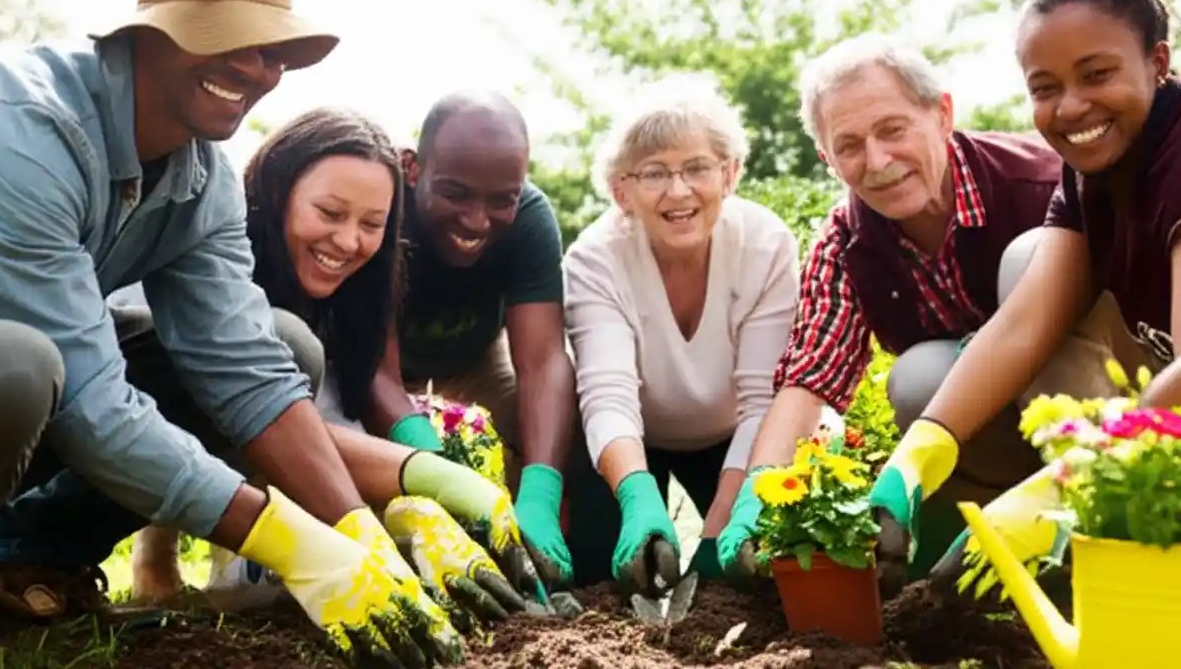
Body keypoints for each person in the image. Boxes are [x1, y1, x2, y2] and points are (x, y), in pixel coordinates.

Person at [0, 0, 459, 665]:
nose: (257, 68)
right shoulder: (8, 127)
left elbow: (248, 374)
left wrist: (357, 534)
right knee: (9, 364)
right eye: (226, 34)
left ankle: (21, 558)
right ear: (150, 28)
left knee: (286, 346)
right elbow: (89, 396)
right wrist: (283, 541)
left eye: (272, 49)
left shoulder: (202, 181)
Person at [716, 31, 1131, 591]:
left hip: (1122, 405)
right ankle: (995, 561)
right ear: (827, 159)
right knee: (917, 378)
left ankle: (1106, 517)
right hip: (997, 431)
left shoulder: (1041, 182)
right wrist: (759, 489)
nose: (878, 161)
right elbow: (808, 379)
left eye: (892, 130)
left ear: (941, 115)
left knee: (1031, 260)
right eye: (850, 145)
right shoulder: (847, 244)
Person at [127, 106, 548, 627]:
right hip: (150, 428)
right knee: (285, 350)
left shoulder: (363, 284)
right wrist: (424, 481)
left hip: (267, 432)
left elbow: (335, 419)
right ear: (279, 192)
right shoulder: (216, 251)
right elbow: (267, 414)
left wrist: (412, 506)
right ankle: (154, 550)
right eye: (329, 213)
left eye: (372, 224)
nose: (349, 242)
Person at [858, 0, 1180, 599]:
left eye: (1097, 74)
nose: (1071, 107)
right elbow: (1023, 327)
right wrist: (910, 465)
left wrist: (1038, 507)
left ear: (1158, 61)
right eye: (1045, 87)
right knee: (1022, 272)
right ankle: (1091, 559)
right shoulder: (1091, 173)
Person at [561, 75, 798, 594]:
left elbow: (764, 401)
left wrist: (714, 538)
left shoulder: (766, 246)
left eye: (697, 168)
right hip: (627, 444)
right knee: (602, 580)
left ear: (730, 173)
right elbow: (607, 396)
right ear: (621, 191)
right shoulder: (595, 259)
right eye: (654, 174)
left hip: (731, 436)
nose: (678, 191)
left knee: (751, 576)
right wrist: (637, 496)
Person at [367, 91, 579, 591]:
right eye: (456, 194)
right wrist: (430, 462)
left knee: (570, 428)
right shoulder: (382, 205)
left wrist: (542, 491)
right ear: (413, 168)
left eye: (500, 199)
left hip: (478, 361)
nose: (477, 220)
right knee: (367, 458)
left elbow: (544, 361)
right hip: (374, 368)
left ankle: (563, 571)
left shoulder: (528, 219)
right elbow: (376, 368)